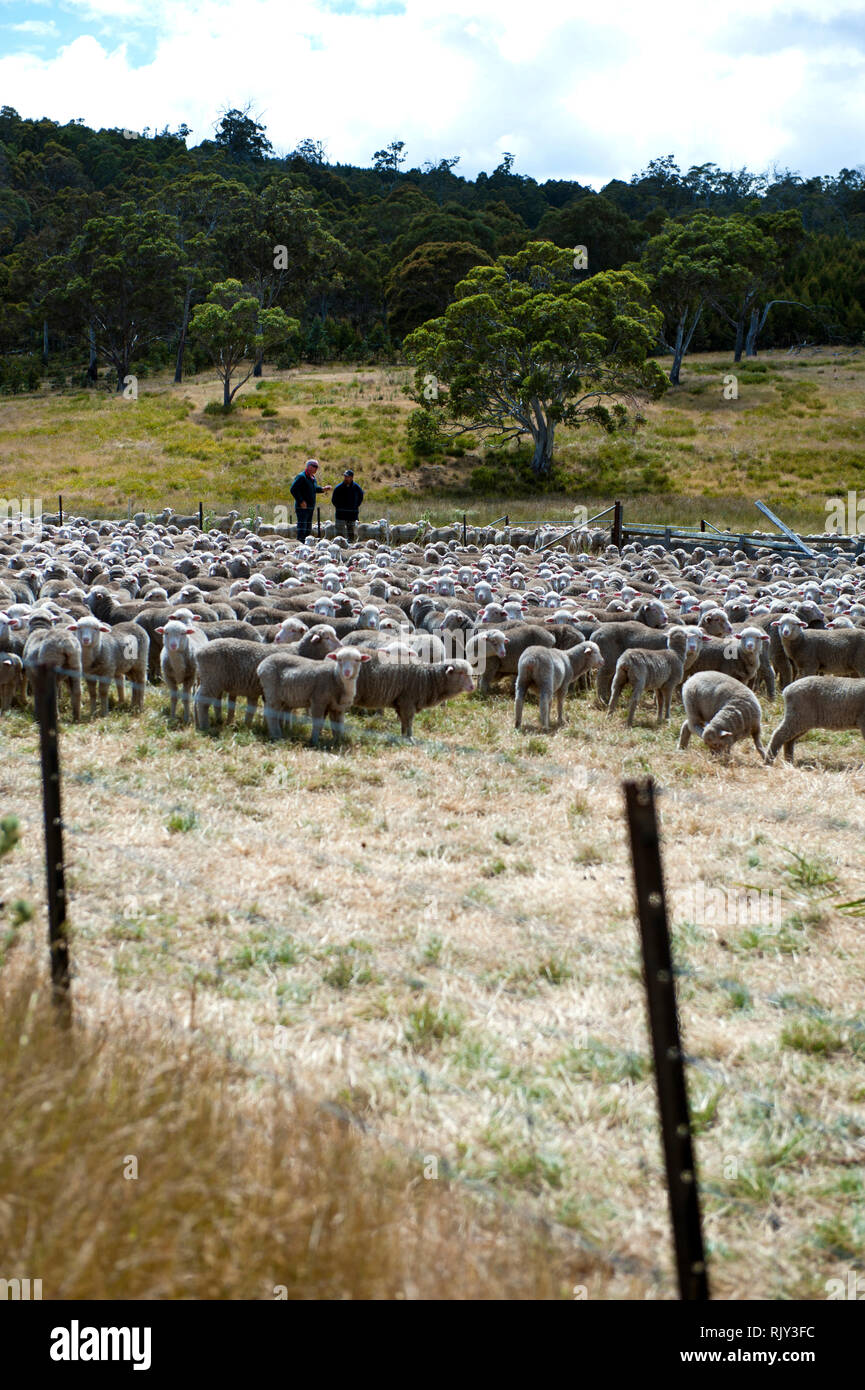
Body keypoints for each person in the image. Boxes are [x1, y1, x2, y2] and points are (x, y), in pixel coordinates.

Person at [290, 459, 330, 543]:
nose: (316, 468)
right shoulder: (302, 476)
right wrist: (301, 501)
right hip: (302, 507)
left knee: (308, 528)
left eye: (317, 467)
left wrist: (322, 489)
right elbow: (293, 489)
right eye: (314, 466)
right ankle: (300, 545)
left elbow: (313, 489)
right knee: (302, 528)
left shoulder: (312, 478)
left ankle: (306, 546)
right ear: (309, 466)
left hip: (310, 507)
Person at [330, 469, 364, 543]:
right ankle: (339, 544)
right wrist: (339, 508)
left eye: (347, 477)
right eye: (345, 476)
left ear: (351, 477)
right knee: (339, 531)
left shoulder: (357, 488)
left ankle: (351, 544)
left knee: (351, 531)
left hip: (352, 514)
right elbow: (334, 500)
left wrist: (355, 507)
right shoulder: (338, 488)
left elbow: (360, 498)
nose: (345, 478)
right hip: (340, 514)